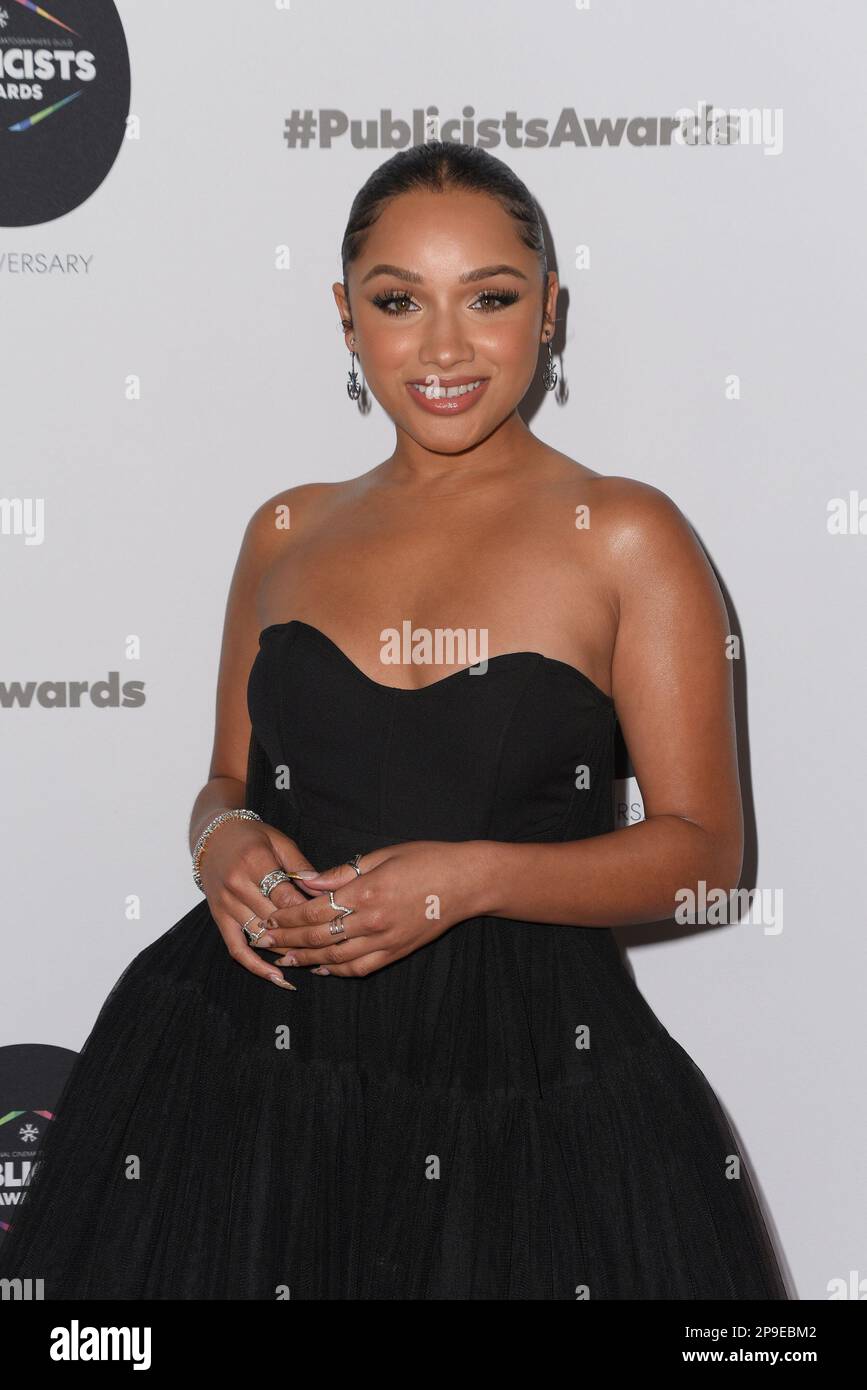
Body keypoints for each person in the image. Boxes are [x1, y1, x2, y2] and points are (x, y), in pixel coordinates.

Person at [0, 141, 789, 1300]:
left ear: (550, 308)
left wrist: (465, 879)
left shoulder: (627, 535)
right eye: (398, 301)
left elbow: (704, 858)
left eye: (491, 297)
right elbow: (227, 779)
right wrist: (220, 842)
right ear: (346, 316)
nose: (446, 348)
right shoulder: (284, 528)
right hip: (244, 1059)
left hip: (522, 1093)